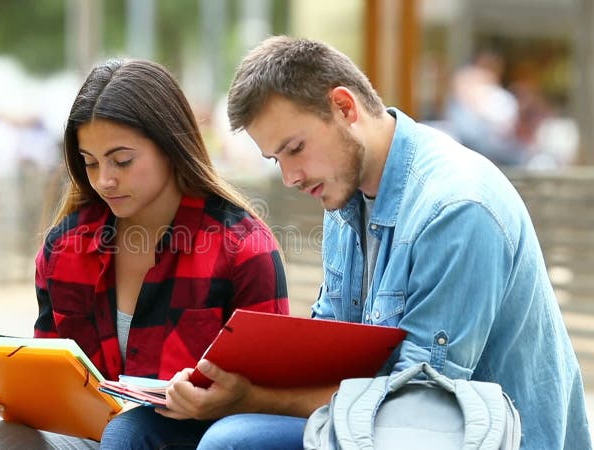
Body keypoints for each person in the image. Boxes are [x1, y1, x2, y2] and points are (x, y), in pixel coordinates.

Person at [158, 36, 591, 450]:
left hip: (475, 436)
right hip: (389, 424)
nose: (290, 177)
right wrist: (224, 382)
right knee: (149, 432)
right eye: (276, 159)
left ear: (344, 107)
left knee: (233, 440)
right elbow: (333, 349)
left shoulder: (458, 207)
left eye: (295, 149)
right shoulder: (345, 199)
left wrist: (252, 398)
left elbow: (416, 405)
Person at [0, 58, 289, 449]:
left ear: (169, 146)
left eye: (122, 161)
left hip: (191, 439)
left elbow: (267, 402)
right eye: (90, 163)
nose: (104, 180)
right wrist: (3, 392)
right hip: (91, 434)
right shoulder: (65, 246)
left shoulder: (241, 247)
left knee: (128, 435)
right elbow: (49, 375)